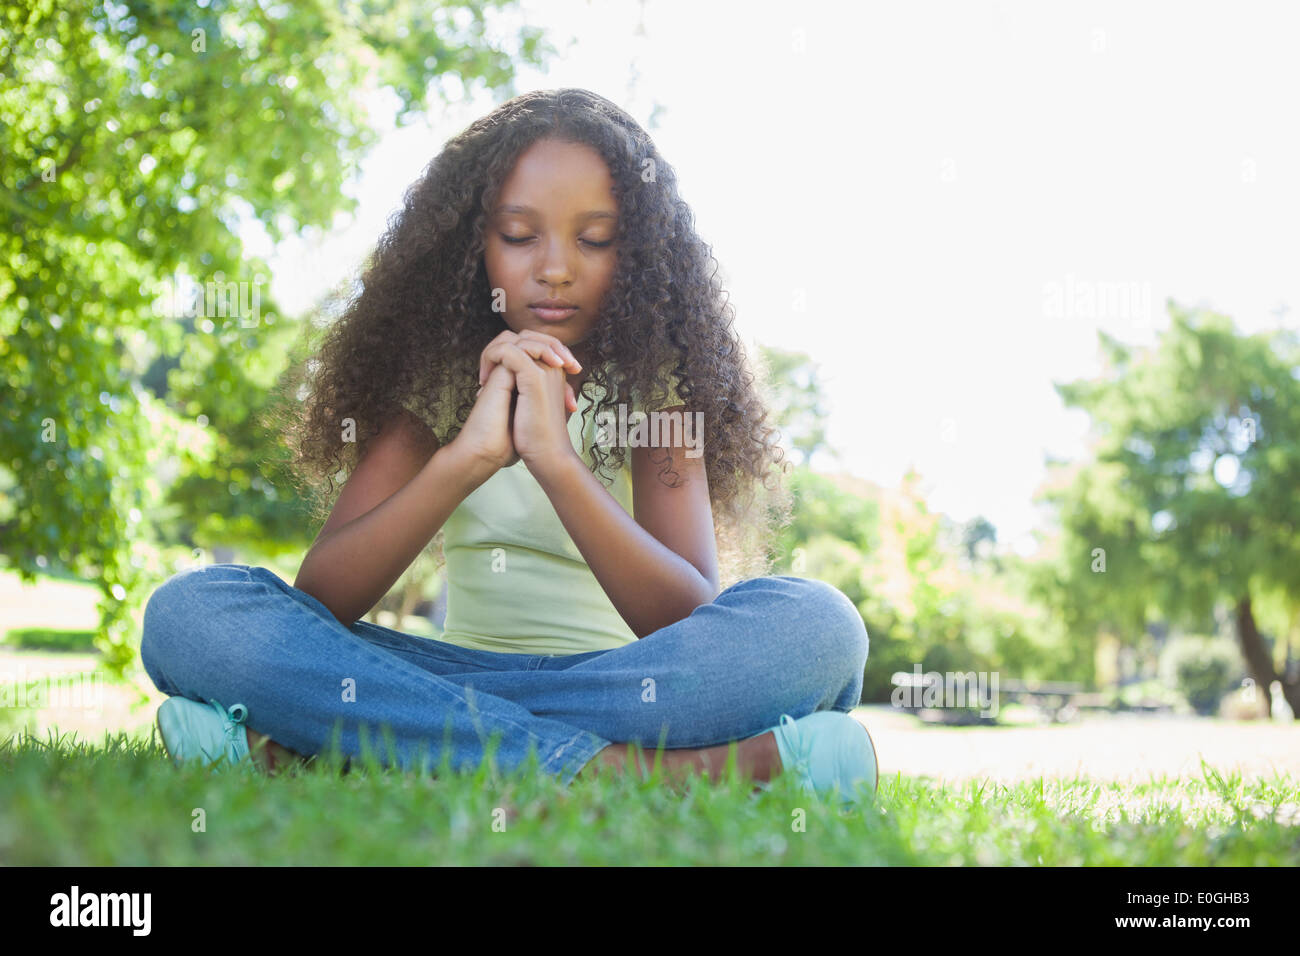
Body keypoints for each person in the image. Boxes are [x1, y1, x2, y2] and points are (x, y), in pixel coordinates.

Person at [141, 88, 878, 805]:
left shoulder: (660, 394)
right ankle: (648, 775)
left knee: (820, 629)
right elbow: (323, 598)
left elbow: (687, 616)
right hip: (441, 676)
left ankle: (334, 752)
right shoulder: (433, 385)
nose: (555, 266)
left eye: (594, 238)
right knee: (194, 612)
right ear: (473, 245)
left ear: (640, 251)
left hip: (625, 686)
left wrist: (557, 464)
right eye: (520, 235)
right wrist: (465, 460)